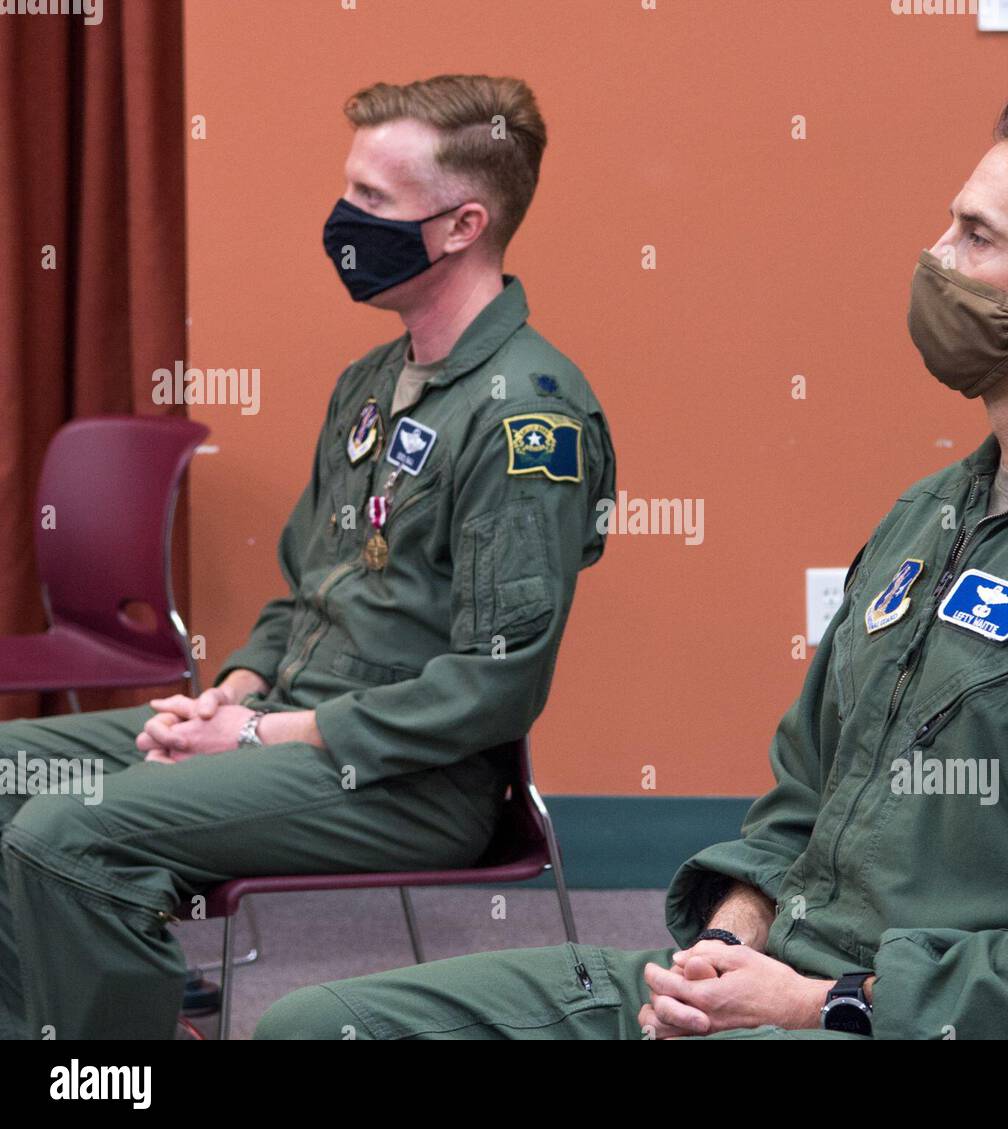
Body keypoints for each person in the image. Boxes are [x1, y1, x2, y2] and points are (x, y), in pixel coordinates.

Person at [256, 100, 1008, 1041]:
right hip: (775, 984)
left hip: (903, 1020)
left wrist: (824, 1002)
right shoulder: (928, 515)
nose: (933, 256)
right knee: (319, 1027)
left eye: (975, 237)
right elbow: (806, 791)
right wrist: (731, 943)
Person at [0, 72, 615, 1040]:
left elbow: (489, 691)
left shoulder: (525, 416)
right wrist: (232, 696)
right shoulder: (371, 380)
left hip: (408, 781)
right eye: (350, 190)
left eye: (372, 200)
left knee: (62, 831)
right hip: (283, 726)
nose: (342, 219)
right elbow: (309, 593)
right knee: (10, 775)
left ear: (461, 226)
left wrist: (249, 739)